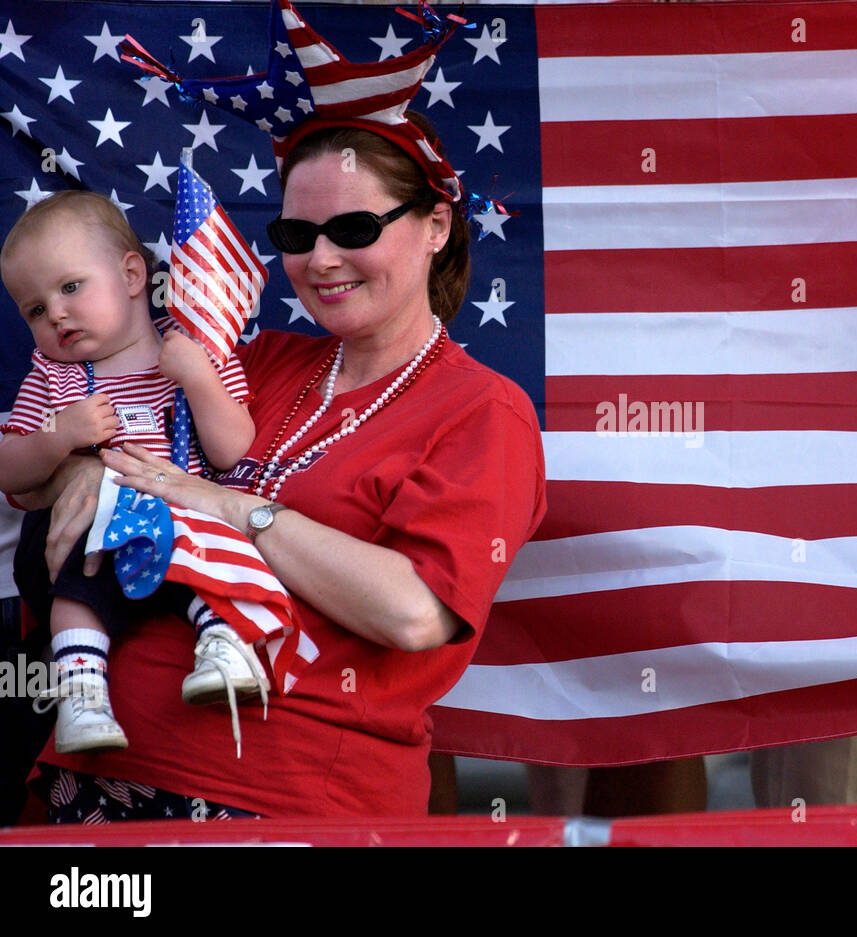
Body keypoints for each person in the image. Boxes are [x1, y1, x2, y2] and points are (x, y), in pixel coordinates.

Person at [17, 105, 545, 820]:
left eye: (355, 228)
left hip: (285, 800)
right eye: (298, 234)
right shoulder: (248, 362)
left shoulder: (485, 410)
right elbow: (93, 443)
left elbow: (416, 612)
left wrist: (234, 506)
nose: (321, 258)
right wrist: (85, 469)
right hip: (96, 774)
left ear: (436, 226)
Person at [0, 190, 259, 757]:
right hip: (85, 536)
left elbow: (234, 449)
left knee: (221, 537)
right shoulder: (53, 376)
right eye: (35, 310)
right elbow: (10, 472)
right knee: (73, 547)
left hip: (177, 520)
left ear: (133, 274)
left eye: (70, 287)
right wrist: (57, 439)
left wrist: (200, 382)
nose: (56, 314)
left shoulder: (193, 350)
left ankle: (223, 645)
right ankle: (81, 695)